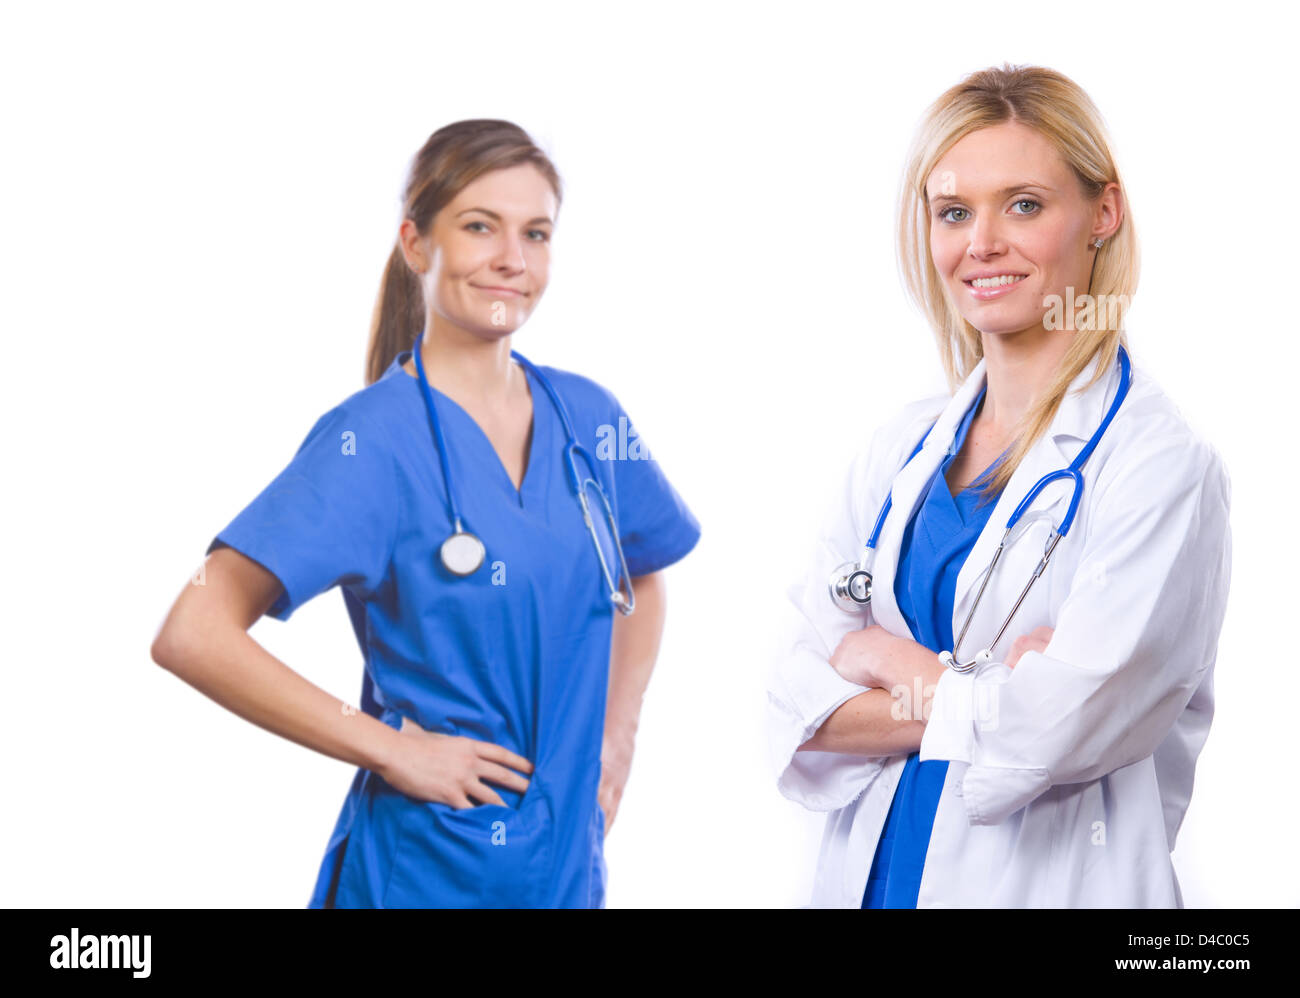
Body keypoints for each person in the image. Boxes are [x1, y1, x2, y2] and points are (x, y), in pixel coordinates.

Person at [151, 119, 701, 908]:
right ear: (416, 244)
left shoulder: (588, 417)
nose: (513, 259)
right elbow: (193, 632)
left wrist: (618, 737)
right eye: (480, 227)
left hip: (563, 874)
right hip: (423, 871)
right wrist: (393, 750)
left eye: (536, 233)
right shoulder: (371, 442)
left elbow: (643, 573)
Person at [766, 64, 1232, 908]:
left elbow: (1058, 728)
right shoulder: (896, 450)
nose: (981, 243)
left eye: (1023, 204)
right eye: (954, 211)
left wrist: (881, 662)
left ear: (1103, 213)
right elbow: (788, 699)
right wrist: (985, 690)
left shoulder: (1159, 467)